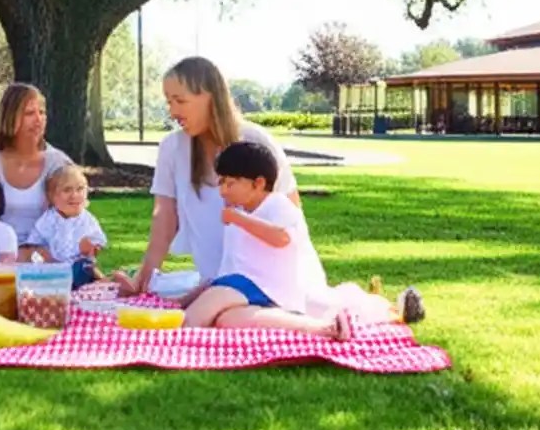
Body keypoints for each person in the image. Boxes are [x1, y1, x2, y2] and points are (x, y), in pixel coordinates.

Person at [178, 142, 424, 339]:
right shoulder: (238, 216)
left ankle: (177, 333)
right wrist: (192, 294)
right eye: (221, 182)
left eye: (230, 183)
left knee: (203, 310)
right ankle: (323, 329)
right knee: (227, 320)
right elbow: (230, 265)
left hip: (269, 286)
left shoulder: (276, 205)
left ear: (258, 183)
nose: (223, 190)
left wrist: (238, 220)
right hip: (248, 288)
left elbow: (281, 237)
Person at [132, 56, 326, 296]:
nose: (172, 112)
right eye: (169, 102)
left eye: (180, 101)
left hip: (271, 285)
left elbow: (290, 216)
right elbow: (164, 218)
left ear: (210, 96)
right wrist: (144, 279)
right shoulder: (172, 148)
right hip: (217, 284)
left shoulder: (256, 141)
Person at [0, 83, 72, 255]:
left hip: (43, 254)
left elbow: (73, 219)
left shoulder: (58, 163)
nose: (38, 119)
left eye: (42, 112)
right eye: (29, 113)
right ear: (9, 117)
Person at [26, 164, 109, 289]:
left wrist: (92, 248)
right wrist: (42, 254)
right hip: (54, 268)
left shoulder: (87, 219)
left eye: (80, 189)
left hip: (79, 267)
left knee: (85, 266)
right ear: (52, 197)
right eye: (67, 190)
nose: (74, 195)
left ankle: (95, 283)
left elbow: (99, 242)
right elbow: (33, 245)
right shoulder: (48, 220)